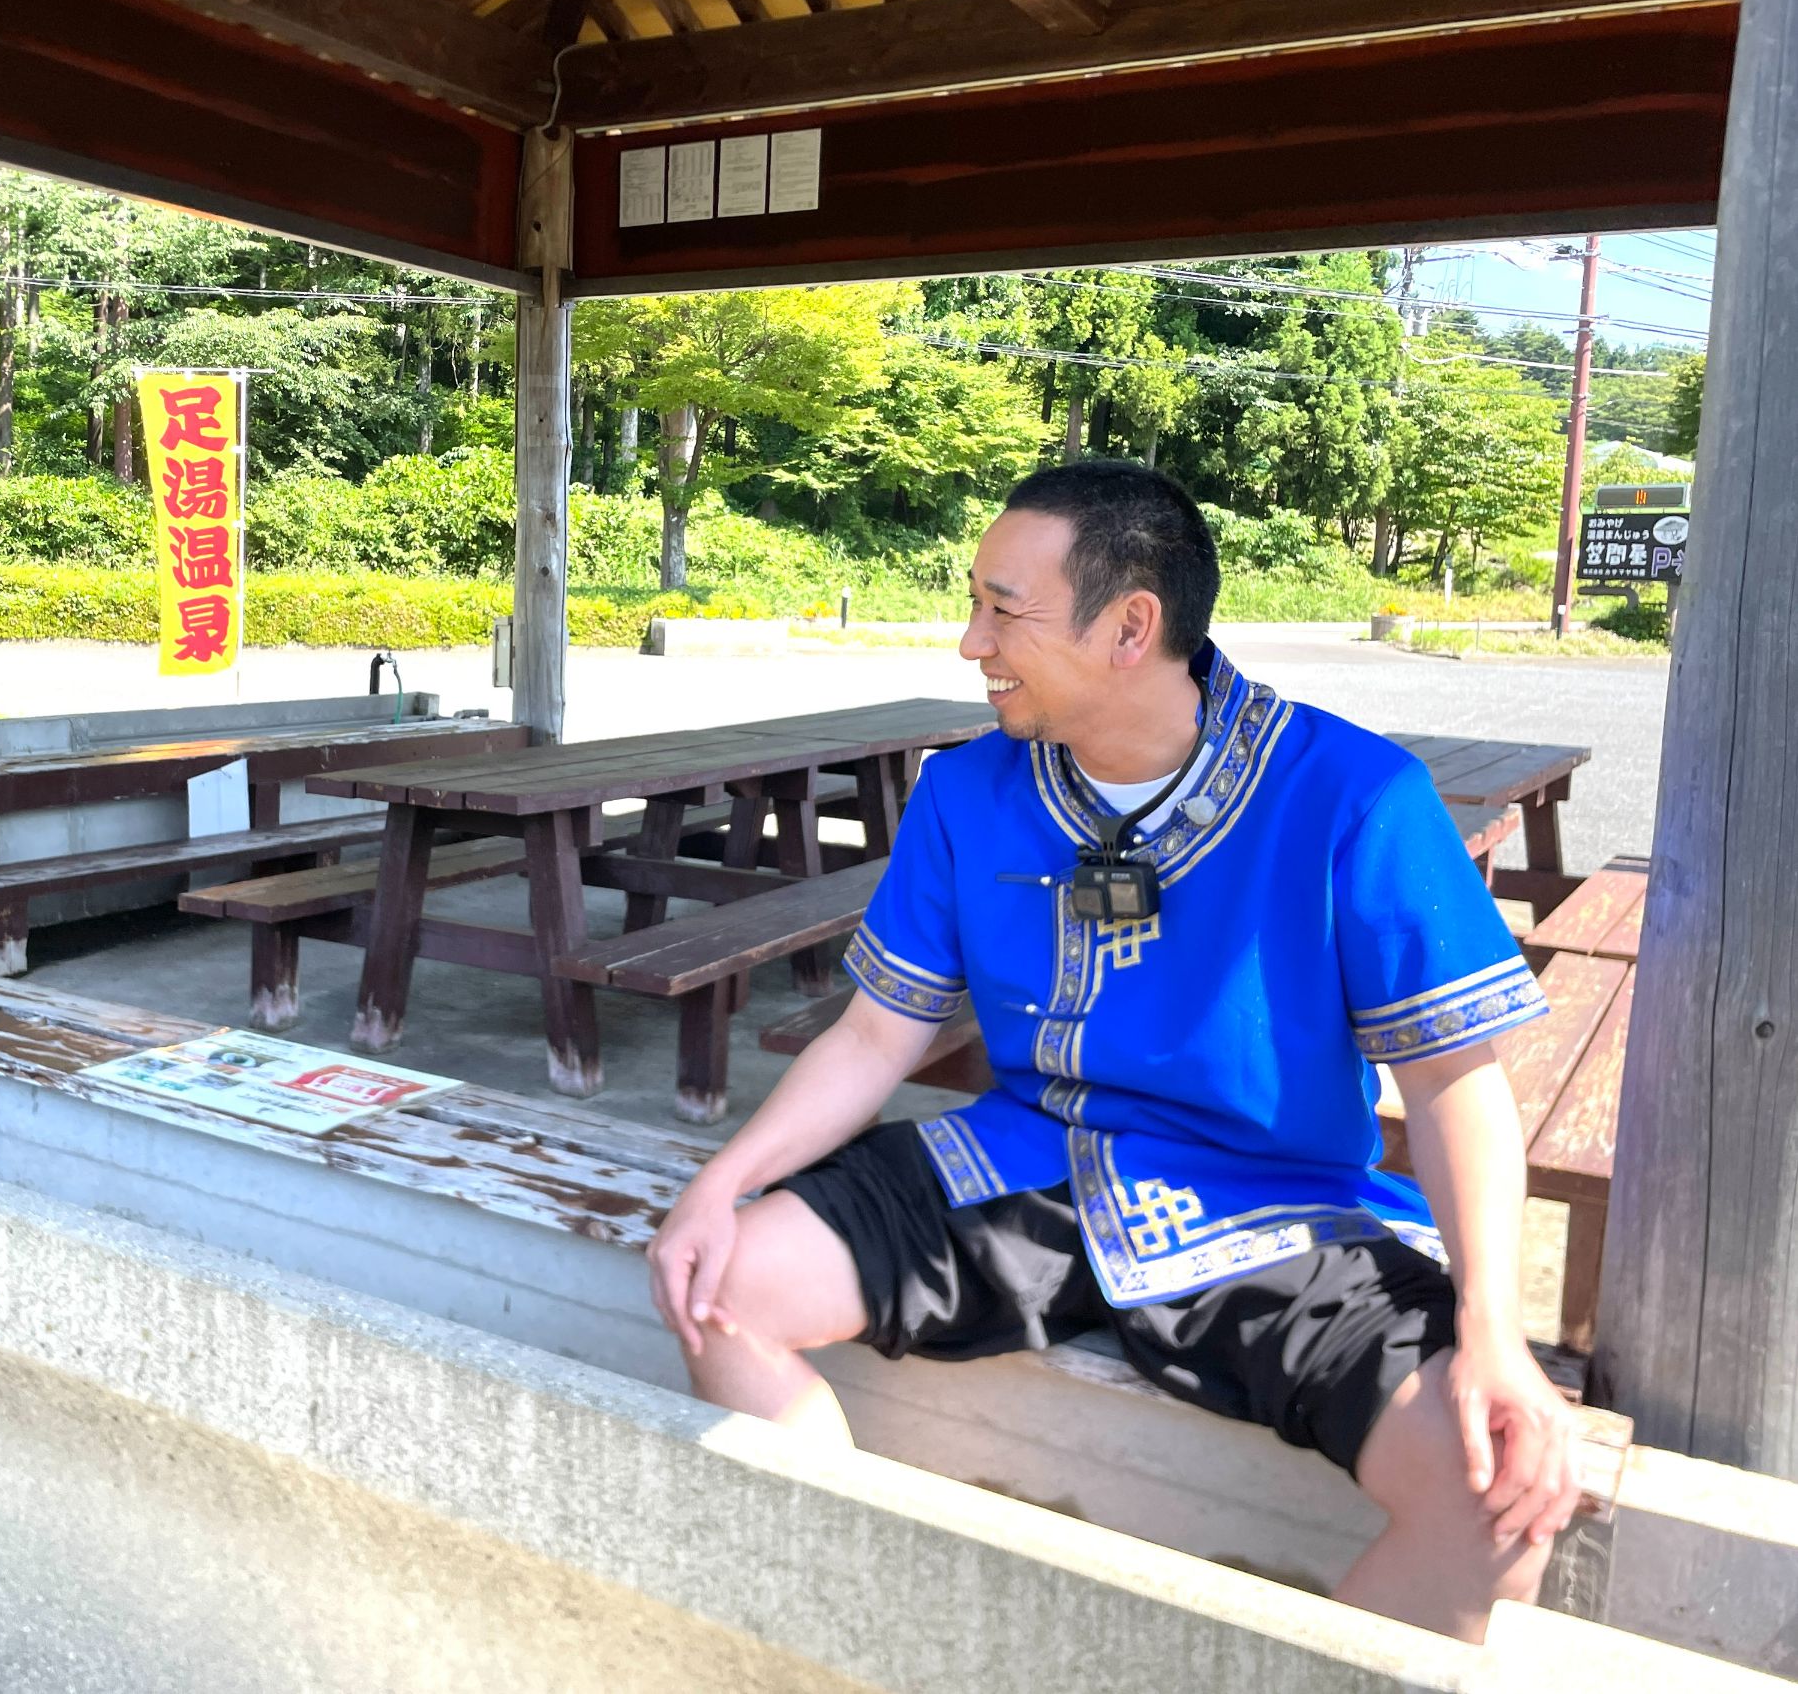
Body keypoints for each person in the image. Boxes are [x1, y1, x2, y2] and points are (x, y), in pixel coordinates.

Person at [647, 460, 1577, 1643]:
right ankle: (833, 1634)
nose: (969, 640)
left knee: (1491, 1495)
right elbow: (880, 1029)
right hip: (1025, 1165)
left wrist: (1492, 1331)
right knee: (714, 1283)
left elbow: (1454, 1081)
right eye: (975, 602)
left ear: (1132, 623)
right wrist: (720, 1183)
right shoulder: (963, 791)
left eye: (1003, 608)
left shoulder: (1352, 796)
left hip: (1276, 1208)